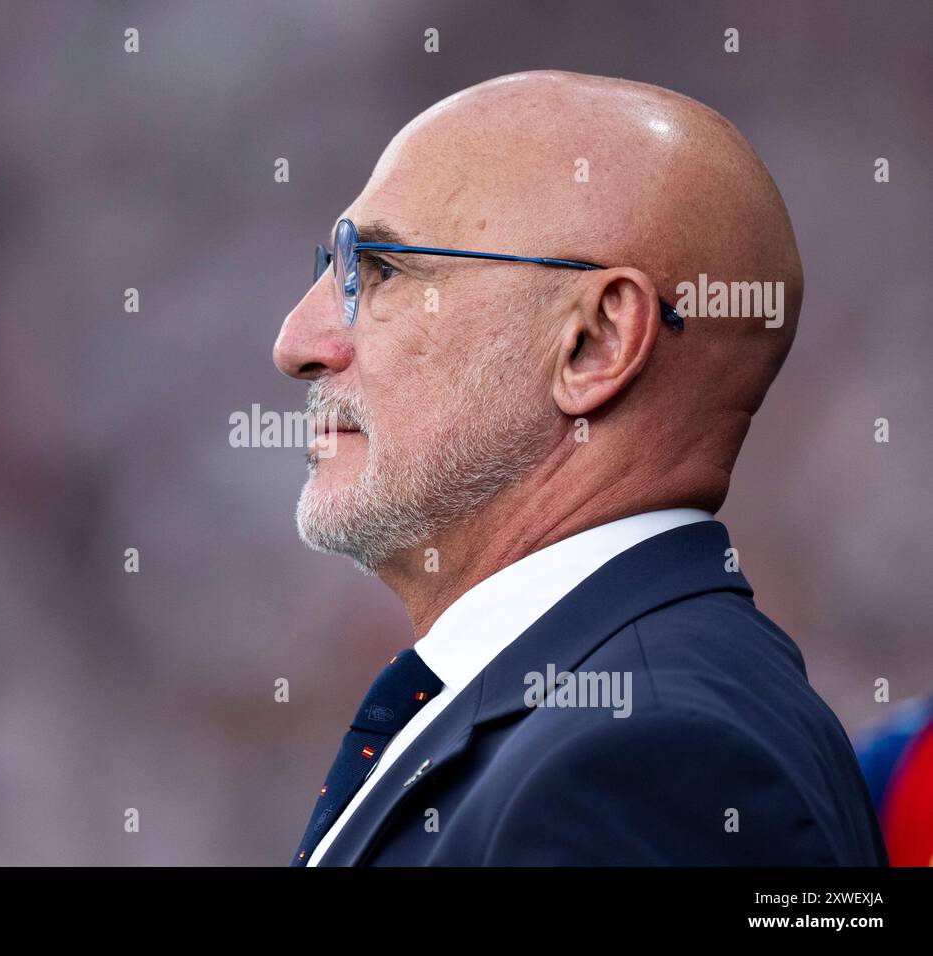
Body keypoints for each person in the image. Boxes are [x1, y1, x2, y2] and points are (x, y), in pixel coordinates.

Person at [273, 70, 887, 866]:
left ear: (594, 343)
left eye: (381, 269)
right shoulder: (601, 722)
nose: (295, 342)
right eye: (334, 264)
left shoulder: (651, 758)